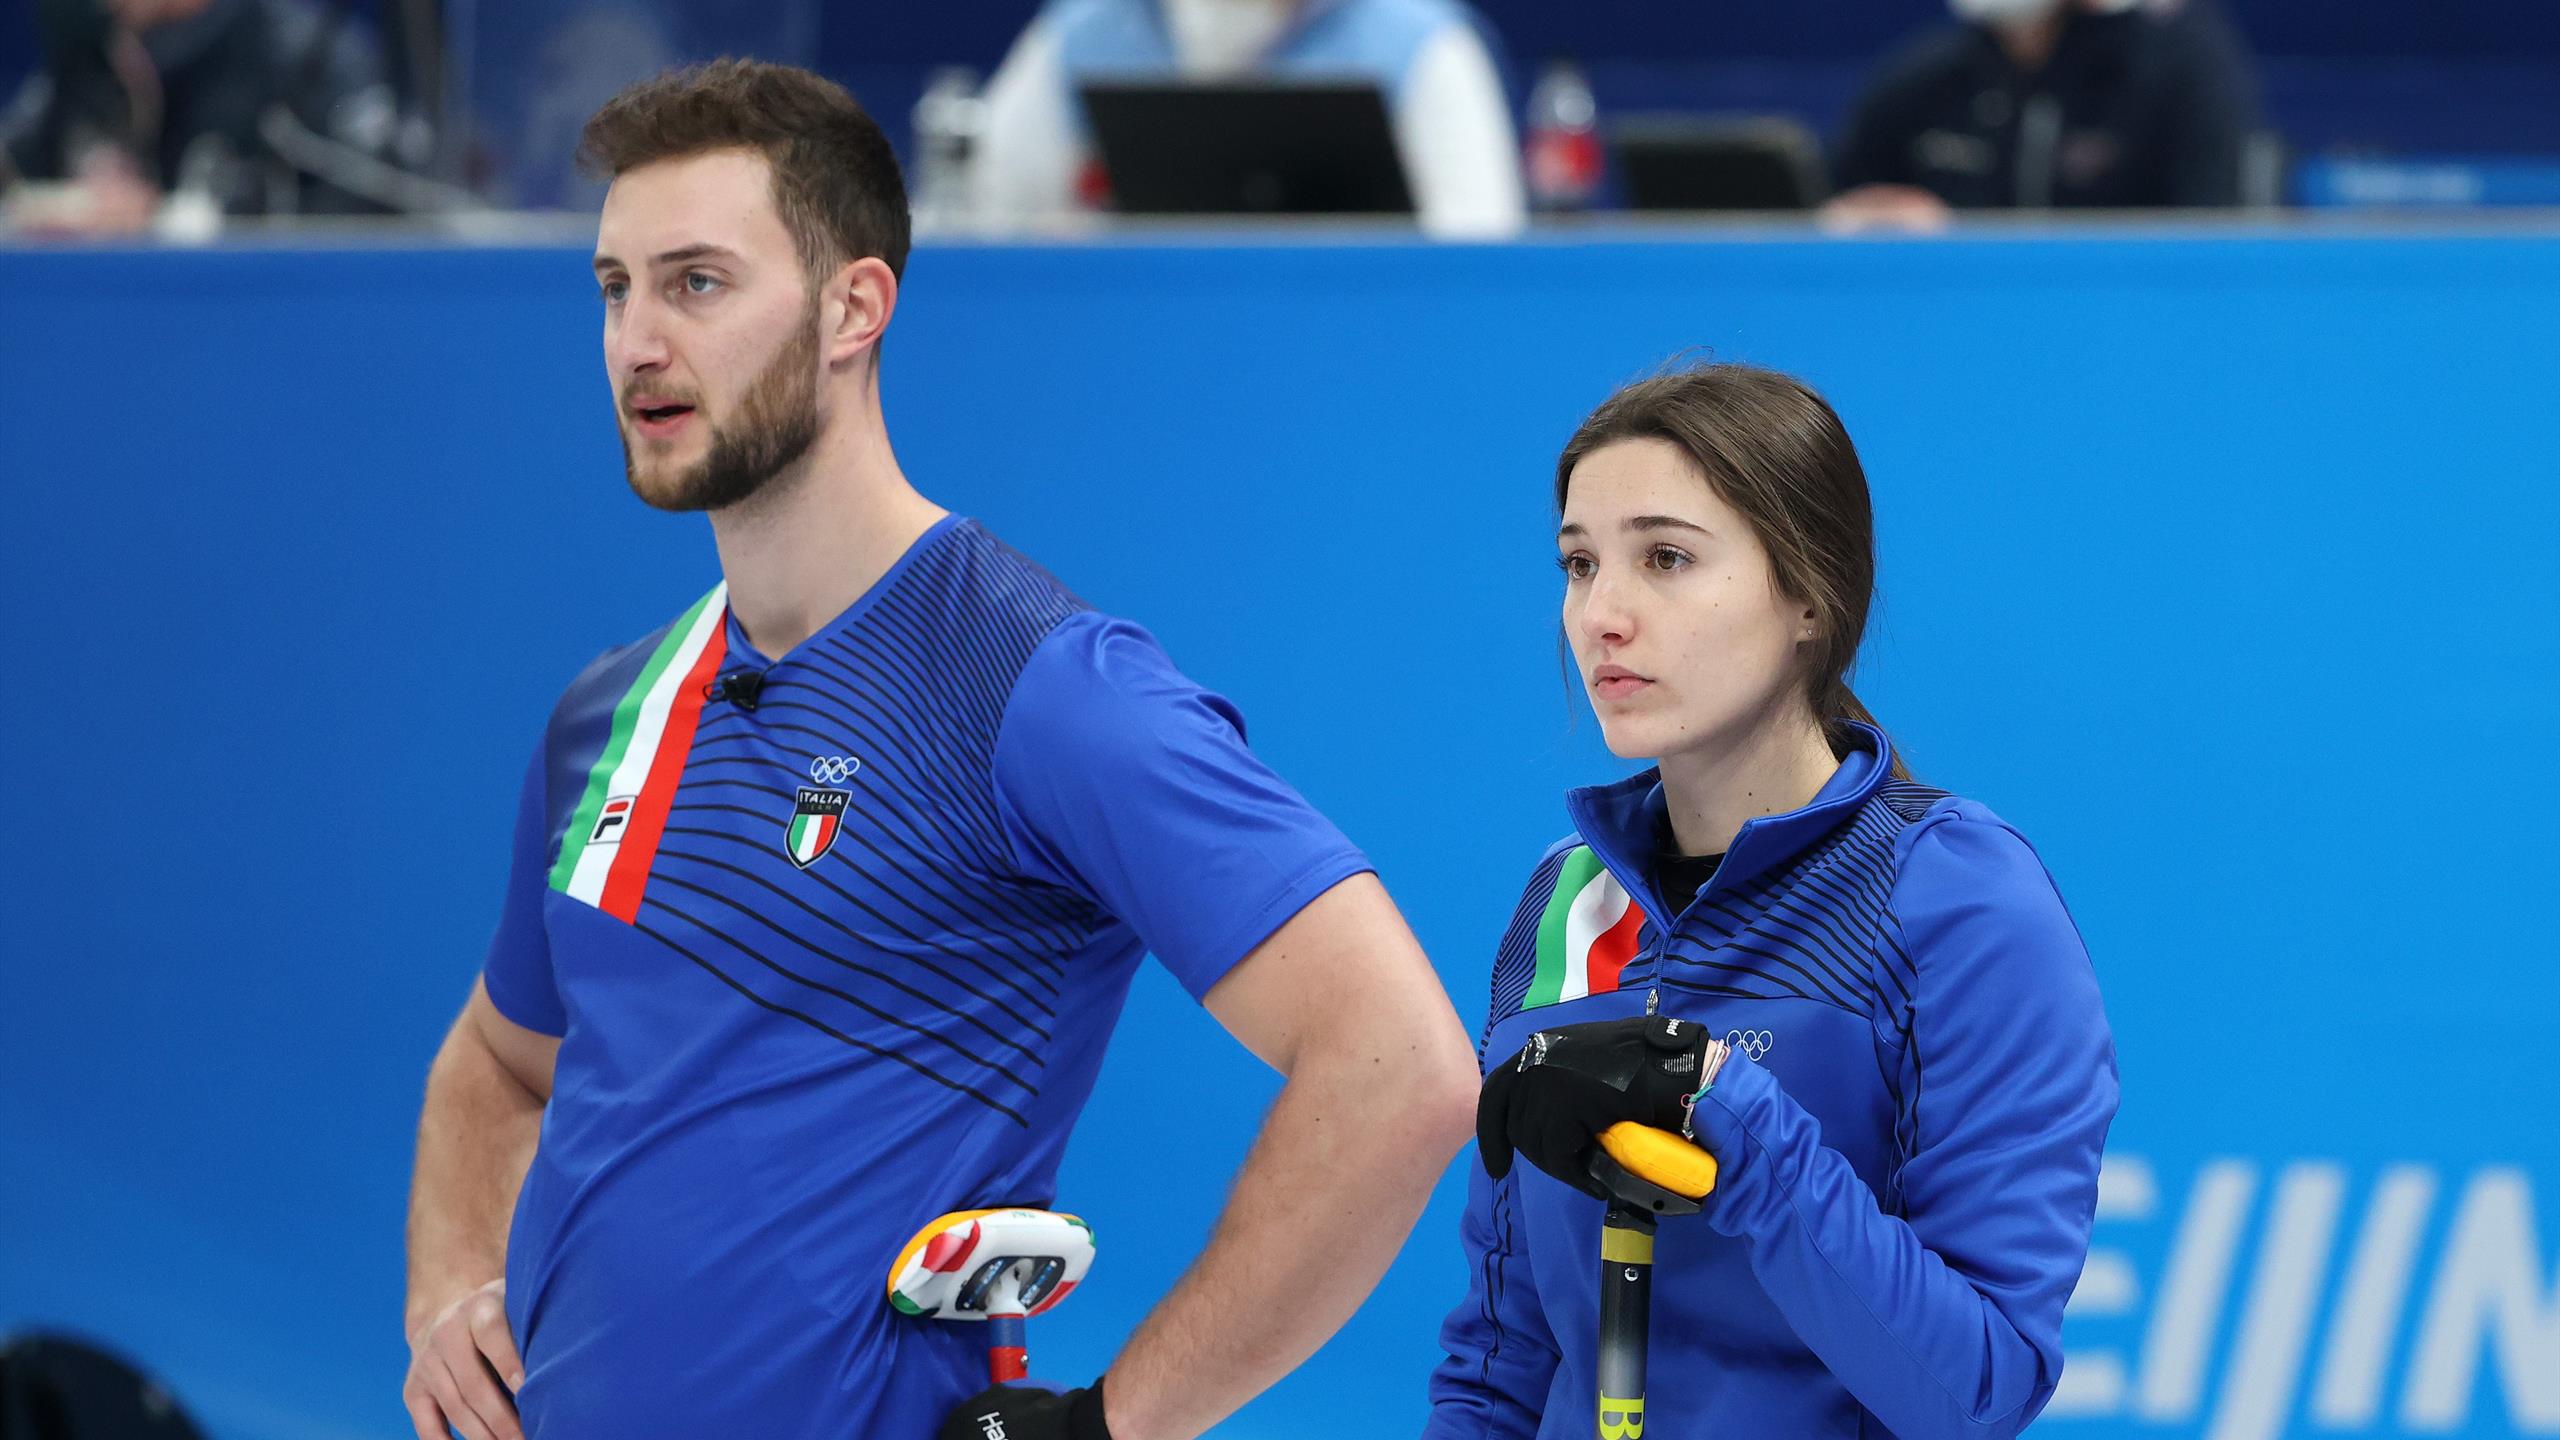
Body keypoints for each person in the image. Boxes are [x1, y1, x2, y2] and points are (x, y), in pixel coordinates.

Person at [399, 59, 1478, 1440]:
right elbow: (498, 1060)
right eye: (615, 289)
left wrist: (1107, 1426)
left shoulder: (1039, 685)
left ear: (854, 307)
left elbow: (1402, 1067)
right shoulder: (609, 714)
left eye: (697, 284)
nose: (637, 343)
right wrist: (450, 1287)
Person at [1426, 363, 2117, 1439]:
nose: (1601, 615)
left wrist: (1716, 1106)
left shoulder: (1956, 899)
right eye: (1579, 563)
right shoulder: (1566, 898)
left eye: (1665, 558)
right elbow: (1500, 1360)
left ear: (1808, 595)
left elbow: (1977, 1391)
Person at [974, 0, 1525, 237]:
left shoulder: (1422, 46)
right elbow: (981, 222)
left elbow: (1477, 260)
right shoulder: (1080, 38)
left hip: (1355, 363)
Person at [1824, 0, 2262, 230]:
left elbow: (2206, 237)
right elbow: (1827, 211)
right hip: (1956, 323)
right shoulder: (1921, 79)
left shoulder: (2180, 72)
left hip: (2117, 326)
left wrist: (1962, 241)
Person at [2, 0, 404, 234]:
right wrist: (57, 205)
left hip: (259, 321)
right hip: (115, 323)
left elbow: (383, 203)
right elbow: (16, 168)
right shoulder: (95, 56)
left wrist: (171, 217)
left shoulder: (302, 56)